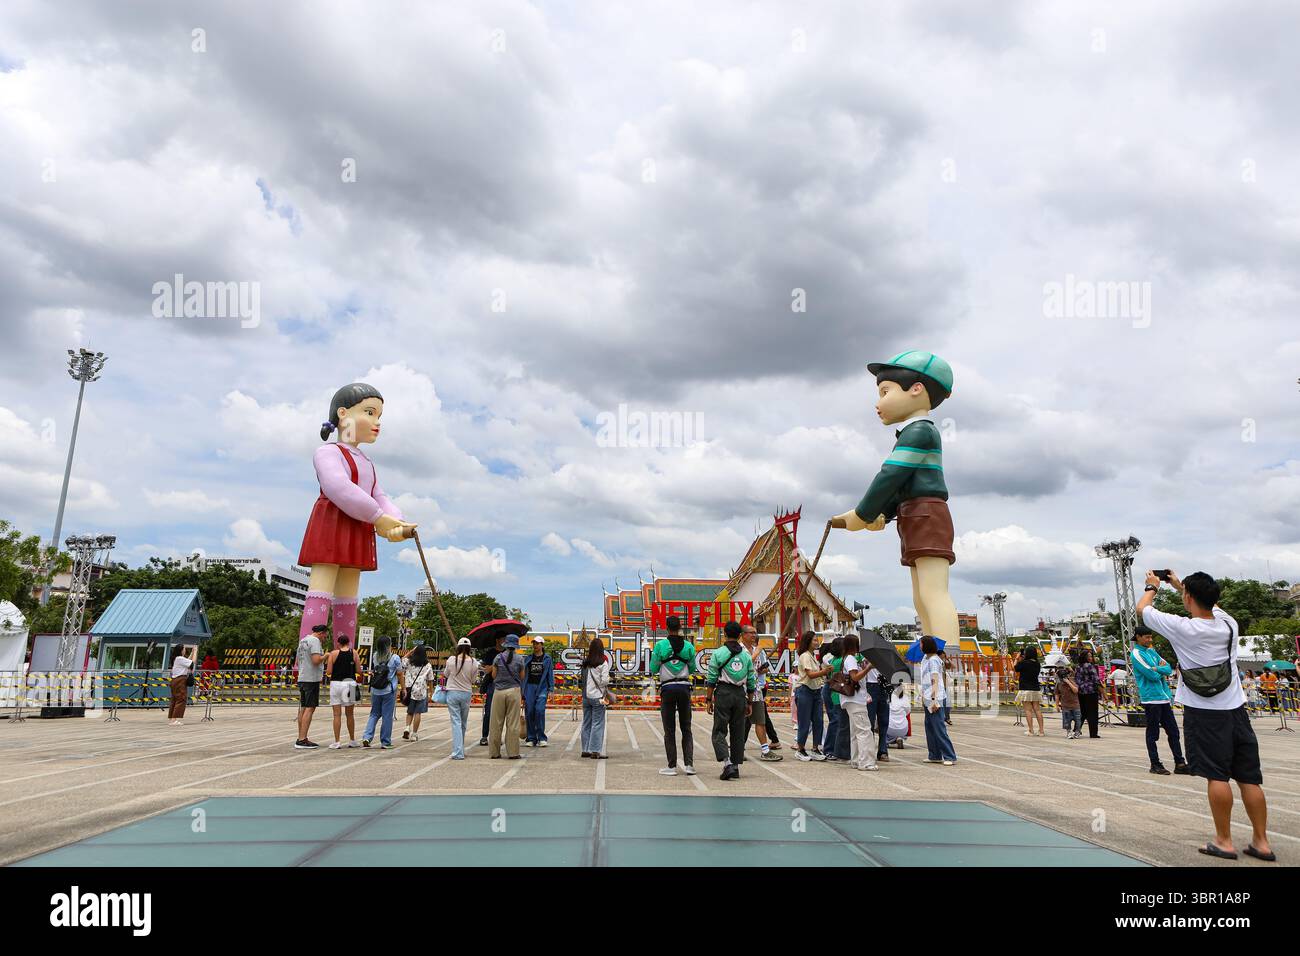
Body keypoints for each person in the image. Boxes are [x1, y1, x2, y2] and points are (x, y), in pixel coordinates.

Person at [1139, 570, 1274, 862]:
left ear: (1188, 598)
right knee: (1249, 779)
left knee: (1217, 776)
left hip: (1204, 714)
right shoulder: (1228, 624)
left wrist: (1153, 585)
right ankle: (1261, 842)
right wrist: (1180, 586)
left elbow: (1143, 609)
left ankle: (1224, 841)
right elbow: (1210, 606)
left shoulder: (1183, 628)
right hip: (1236, 711)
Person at [1130, 629, 1189, 775]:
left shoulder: (1152, 651)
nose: (1150, 640)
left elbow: (1168, 668)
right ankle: (1155, 763)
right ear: (1138, 637)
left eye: (1151, 637)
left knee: (1173, 731)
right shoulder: (1136, 654)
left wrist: (1157, 668)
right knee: (1153, 733)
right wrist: (1159, 670)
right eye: (1147, 637)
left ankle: (1180, 763)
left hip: (1164, 697)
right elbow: (1152, 675)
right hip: (1151, 699)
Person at [706, 620, 754, 780]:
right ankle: (735, 766)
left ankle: (727, 764)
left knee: (719, 730)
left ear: (724, 634)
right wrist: (749, 702)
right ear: (740, 635)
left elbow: (711, 678)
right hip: (740, 694)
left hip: (723, 693)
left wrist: (708, 699)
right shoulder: (746, 656)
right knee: (738, 731)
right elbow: (751, 680)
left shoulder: (718, 653)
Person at [649, 615, 697, 775]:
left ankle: (672, 766)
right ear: (680, 627)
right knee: (686, 728)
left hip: (667, 689)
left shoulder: (660, 646)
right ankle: (689, 765)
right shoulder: (689, 646)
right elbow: (692, 668)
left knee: (669, 729)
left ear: (667, 628)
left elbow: (653, 668)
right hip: (684, 688)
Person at [741, 626, 782, 761]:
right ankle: (738, 749)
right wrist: (756, 653)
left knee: (760, 720)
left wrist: (761, 668)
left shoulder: (756, 650)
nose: (754, 635)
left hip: (756, 689)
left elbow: (758, 669)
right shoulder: (739, 649)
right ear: (743, 634)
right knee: (741, 722)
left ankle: (765, 750)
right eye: (751, 633)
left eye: (755, 633)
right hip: (741, 690)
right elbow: (744, 666)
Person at [839, 634, 879, 771]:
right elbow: (855, 677)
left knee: (856, 731)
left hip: (851, 699)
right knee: (864, 730)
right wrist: (868, 668)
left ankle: (856, 759)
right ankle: (866, 762)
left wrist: (863, 666)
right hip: (856, 700)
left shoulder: (847, 658)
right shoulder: (851, 659)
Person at [792, 630, 830, 761]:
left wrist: (824, 672)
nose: (817, 642)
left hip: (816, 691)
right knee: (805, 721)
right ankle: (800, 749)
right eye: (814, 640)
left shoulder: (813, 656)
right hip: (805, 690)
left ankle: (815, 748)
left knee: (818, 721)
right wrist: (824, 671)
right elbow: (810, 674)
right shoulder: (805, 656)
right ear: (808, 642)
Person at [487, 635, 526, 759]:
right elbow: (522, 677)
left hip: (499, 692)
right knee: (513, 723)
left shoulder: (498, 657)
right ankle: (513, 753)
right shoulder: (520, 659)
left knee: (496, 723)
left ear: (505, 644)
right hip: (514, 692)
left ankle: (494, 752)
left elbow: (494, 675)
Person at [920, 635, 956, 764]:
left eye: (921, 644)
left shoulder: (934, 660)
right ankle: (934, 755)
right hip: (927, 696)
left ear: (926, 645)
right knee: (930, 728)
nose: (920, 646)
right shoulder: (925, 659)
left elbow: (934, 679)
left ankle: (950, 756)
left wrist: (934, 699)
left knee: (939, 728)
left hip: (935, 697)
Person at [443, 637, 479, 759]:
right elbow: (473, 680)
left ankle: (458, 752)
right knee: (463, 723)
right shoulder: (474, 662)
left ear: (458, 647)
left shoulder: (451, 660)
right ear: (469, 648)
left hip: (452, 693)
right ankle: (460, 748)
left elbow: (446, 674)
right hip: (466, 693)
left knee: (456, 722)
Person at [362, 635, 400, 749]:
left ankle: (367, 737)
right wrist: (403, 688)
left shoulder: (375, 656)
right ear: (388, 645)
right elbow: (400, 673)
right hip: (389, 690)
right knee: (387, 716)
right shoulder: (395, 658)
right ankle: (385, 741)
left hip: (376, 689)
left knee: (374, 714)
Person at [294, 624, 327, 749]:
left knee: (303, 708)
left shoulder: (303, 640)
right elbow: (316, 660)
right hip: (311, 678)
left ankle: (301, 737)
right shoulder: (315, 641)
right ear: (321, 633)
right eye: (325, 636)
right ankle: (302, 739)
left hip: (303, 676)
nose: (324, 639)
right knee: (310, 708)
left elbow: (298, 661)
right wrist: (326, 656)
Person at [325, 633, 360, 748]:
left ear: (338, 643)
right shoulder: (354, 653)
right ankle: (352, 740)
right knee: (350, 714)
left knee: (336, 715)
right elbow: (359, 671)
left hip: (336, 684)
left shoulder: (333, 653)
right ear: (349, 643)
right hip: (351, 684)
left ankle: (337, 741)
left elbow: (329, 672)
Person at [579, 637, 612, 759]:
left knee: (586, 723)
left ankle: (585, 749)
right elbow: (605, 680)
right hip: (598, 697)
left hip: (586, 697)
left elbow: (582, 680)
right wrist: (603, 684)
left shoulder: (586, 663)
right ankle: (595, 750)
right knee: (597, 723)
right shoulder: (603, 663)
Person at [522, 636, 555, 747]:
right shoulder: (528, 658)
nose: (535, 645)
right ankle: (531, 738)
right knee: (529, 712)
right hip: (529, 687)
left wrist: (551, 689)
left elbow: (550, 674)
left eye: (537, 643)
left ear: (542, 645)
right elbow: (523, 674)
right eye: (534, 643)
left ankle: (541, 737)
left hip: (542, 687)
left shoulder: (547, 659)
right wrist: (522, 690)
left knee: (540, 711)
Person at [400, 644, 434, 742]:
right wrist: (431, 692)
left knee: (410, 711)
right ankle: (414, 734)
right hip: (421, 691)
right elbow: (430, 679)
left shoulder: (409, 662)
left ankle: (407, 728)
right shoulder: (427, 665)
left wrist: (411, 651)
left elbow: (402, 660)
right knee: (418, 713)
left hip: (410, 690)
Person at [819, 637, 844, 761]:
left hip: (829, 689)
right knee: (835, 720)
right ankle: (829, 749)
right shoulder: (839, 660)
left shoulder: (830, 658)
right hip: (834, 691)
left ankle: (832, 748)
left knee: (835, 720)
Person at [478, 635, 505, 747]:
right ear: (497, 640)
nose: (504, 641)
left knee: (500, 713)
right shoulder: (490, 653)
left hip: (504, 683)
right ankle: (484, 736)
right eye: (502, 638)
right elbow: (486, 669)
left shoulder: (506, 653)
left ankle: (497, 736)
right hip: (492, 683)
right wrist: (491, 668)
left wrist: (493, 668)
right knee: (488, 711)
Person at [1014, 646, 1045, 737]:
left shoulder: (1024, 663)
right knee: (1037, 710)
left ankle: (1031, 730)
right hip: (1035, 688)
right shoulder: (1037, 664)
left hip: (1025, 689)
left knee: (1028, 710)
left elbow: (1015, 668)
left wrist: (1017, 658)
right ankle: (1041, 731)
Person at [1075, 649, 1104, 738]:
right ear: (1086, 658)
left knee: (1082, 712)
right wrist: (1104, 693)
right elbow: (1096, 680)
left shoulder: (1078, 667)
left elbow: (1077, 679)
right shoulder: (1090, 666)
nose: (1091, 658)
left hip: (1081, 692)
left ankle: (1076, 730)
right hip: (1091, 692)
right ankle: (1093, 733)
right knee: (1092, 713)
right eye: (1090, 656)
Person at [167, 644, 196, 725]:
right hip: (180, 681)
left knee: (174, 700)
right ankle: (174, 720)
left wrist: (192, 652)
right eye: (184, 649)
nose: (185, 650)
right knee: (181, 699)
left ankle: (172, 718)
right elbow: (192, 663)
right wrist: (195, 652)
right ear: (181, 650)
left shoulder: (177, 659)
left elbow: (188, 661)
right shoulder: (180, 658)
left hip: (175, 681)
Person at [1055, 665, 1082, 739]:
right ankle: (1069, 732)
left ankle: (1077, 731)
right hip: (1065, 705)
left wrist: (1068, 682)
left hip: (1075, 705)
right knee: (1066, 720)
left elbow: (1076, 690)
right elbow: (1057, 694)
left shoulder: (1072, 681)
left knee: (1078, 720)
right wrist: (1057, 705)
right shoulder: (1058, 684)